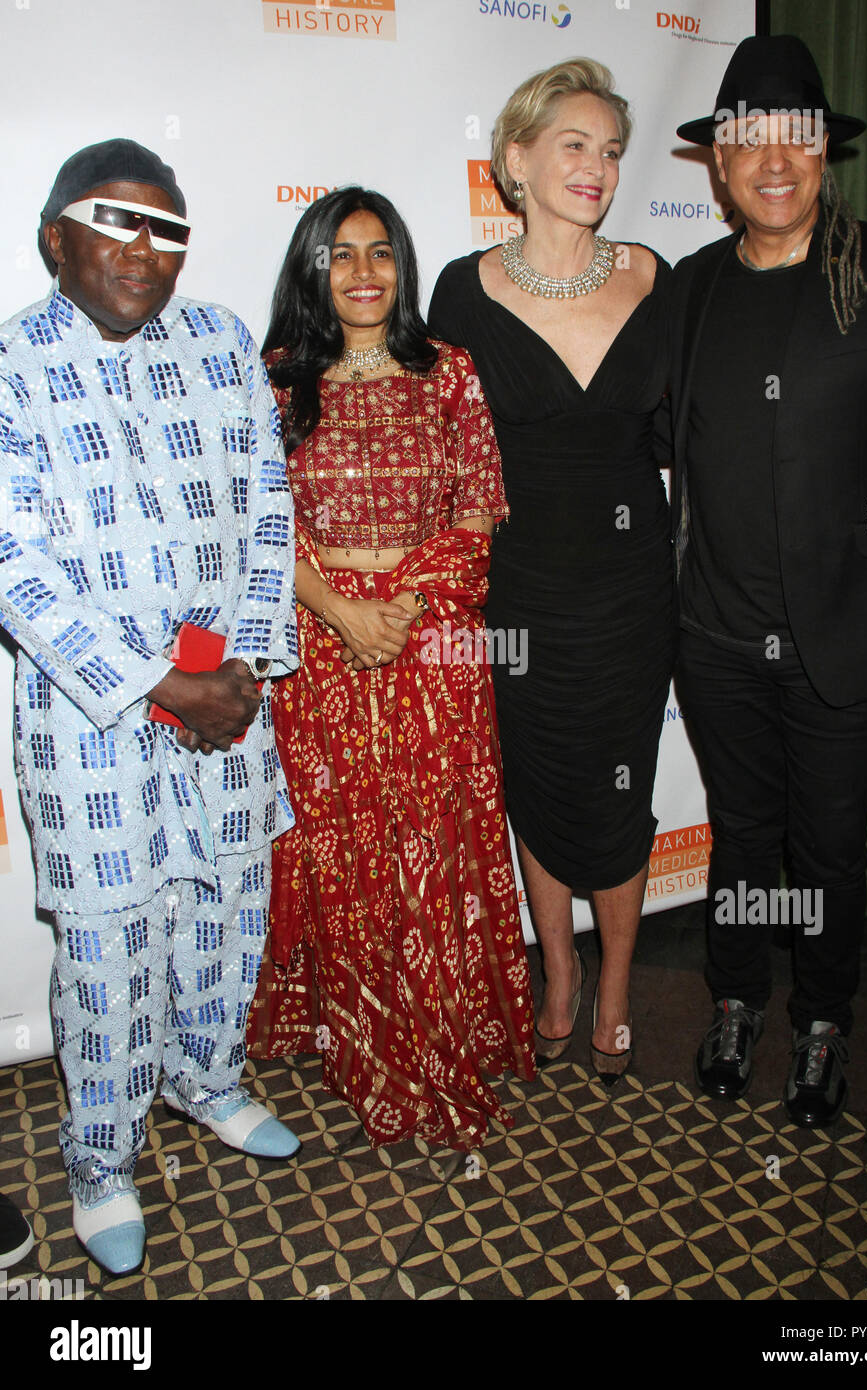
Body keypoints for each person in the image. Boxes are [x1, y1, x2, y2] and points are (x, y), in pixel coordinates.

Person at [0, 139, 300, 1275]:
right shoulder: (13, 363)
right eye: (115, 221)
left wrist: (241, 674)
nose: (145, 249)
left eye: (166, 228)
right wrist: (155, 681)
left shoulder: (220, 342)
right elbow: (11, 558)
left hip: (226, 697)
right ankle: (100, 1158)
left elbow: (269, 506)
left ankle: (207, 1080)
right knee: (111, 941)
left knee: (227, 905)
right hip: (94, 721)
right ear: (54, 237)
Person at [670, 37, 867, 1126]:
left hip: (853, 632)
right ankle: (736, 996)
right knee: (741, 832)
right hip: (719, 634)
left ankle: (824, 1020)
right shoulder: (689, 289)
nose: (771, 158)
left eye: (795, 134)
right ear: (717, 165)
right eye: (747, 138)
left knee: (827, 842)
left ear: (824, 152)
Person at [245, 187, 535, 1149]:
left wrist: (400, 608)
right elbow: (250, 528)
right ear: (311, 269)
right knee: (341, 852)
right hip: (319, 652)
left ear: (403, 267)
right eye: (340, 254)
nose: (364, 273)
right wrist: (337, 608)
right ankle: (358, 1035)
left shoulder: (447, 372)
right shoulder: (275, 379)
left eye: (381, 253)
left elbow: (477, 509)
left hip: (433, 649)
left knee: (430, 845)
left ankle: (441, 1029)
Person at [428, 60, 675, 1083]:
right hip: (517, 591)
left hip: (630, 589)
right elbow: (431, 448)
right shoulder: (460, 290)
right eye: (572, 144)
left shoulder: (659, 277)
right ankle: (558, 970)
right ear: (515, 160)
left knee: (618, 790)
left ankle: (616, 978)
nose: (596, 167)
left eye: (611, 150)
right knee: (536, 785)